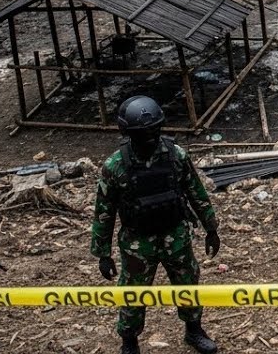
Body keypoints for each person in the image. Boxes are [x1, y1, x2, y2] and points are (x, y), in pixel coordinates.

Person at [92, 96, 220, 354]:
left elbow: (196, 192)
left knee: (187, 282)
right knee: (133, 293)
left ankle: (194, 330)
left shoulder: (175, 155)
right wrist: (102, 253)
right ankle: (129, 342)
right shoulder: (115, 165)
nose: (150, 137)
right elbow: (104, 212)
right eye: (143, 133)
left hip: (176, 235)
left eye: (154, 130)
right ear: (129, 133)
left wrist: (211, 227)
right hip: (138, 243)